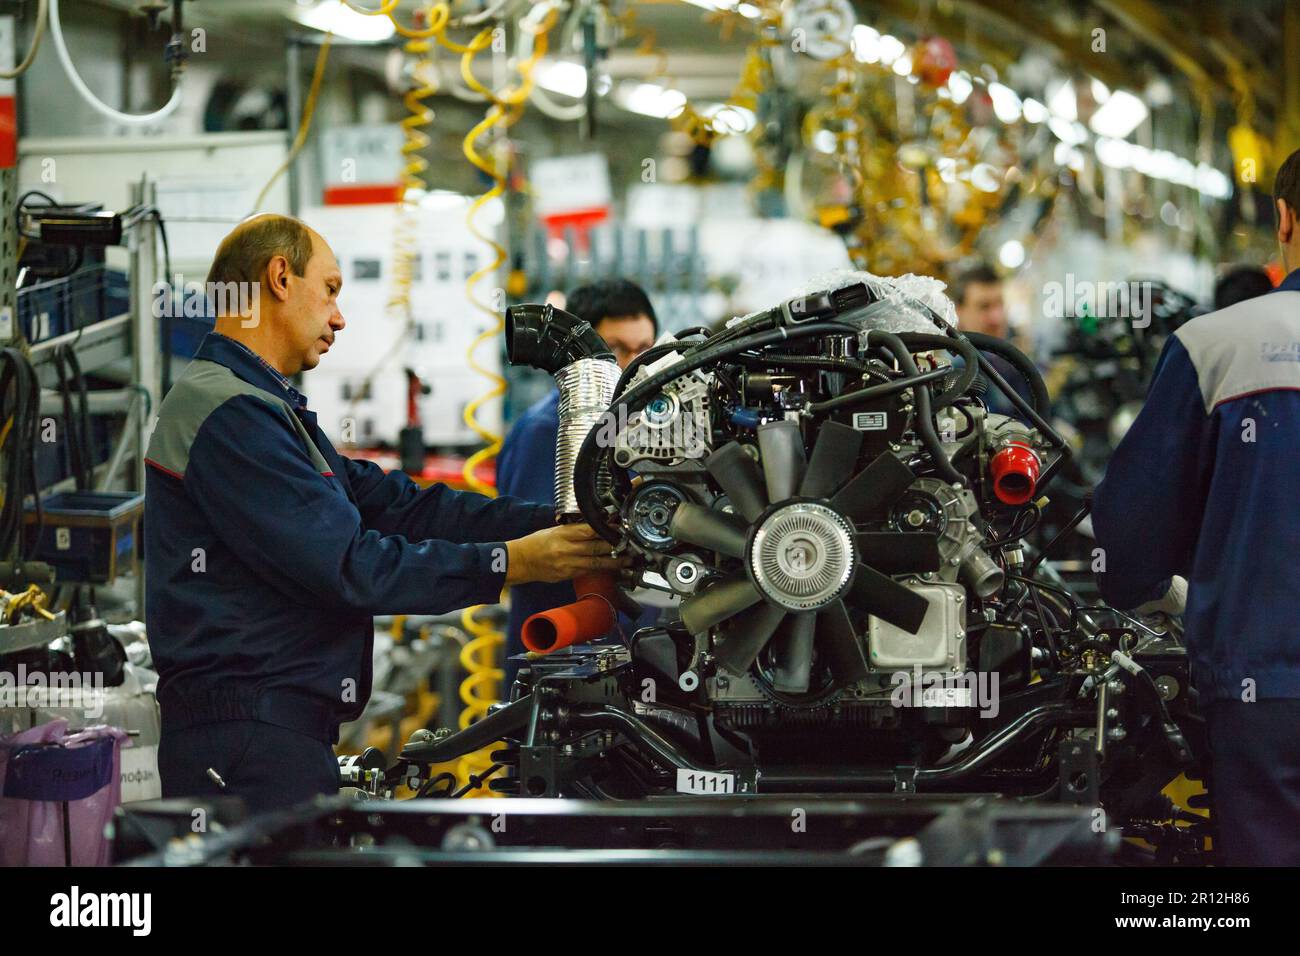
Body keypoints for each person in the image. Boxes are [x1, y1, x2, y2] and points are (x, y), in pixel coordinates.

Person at [145, 215, 624, 813]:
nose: (339, 317)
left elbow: (400, 505)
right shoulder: (227, 413)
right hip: (245, 740)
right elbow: (350, 565)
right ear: (279, 277)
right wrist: (513, 563)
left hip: (271, 732)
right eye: (331, 289)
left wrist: (552, 523)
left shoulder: (263, 405)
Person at [1090, 147, 1300, 865]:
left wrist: (1160, 593)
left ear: (1283, 220)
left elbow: (1126, 537)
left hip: (1267, 693)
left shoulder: (1219, 346)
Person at [497, 279, 658, 682]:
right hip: (560, 656)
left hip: (634, 652)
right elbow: (546, 540)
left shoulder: (648, 426)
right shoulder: (546, 431)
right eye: (617, 349)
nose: (630, 366)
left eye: (643, 350)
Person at [951, 262, 1034, 417]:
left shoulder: (1010, 359)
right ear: (958, 311)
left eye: (999, 304)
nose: (996, 318)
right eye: (984, 307)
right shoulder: (953, 371)